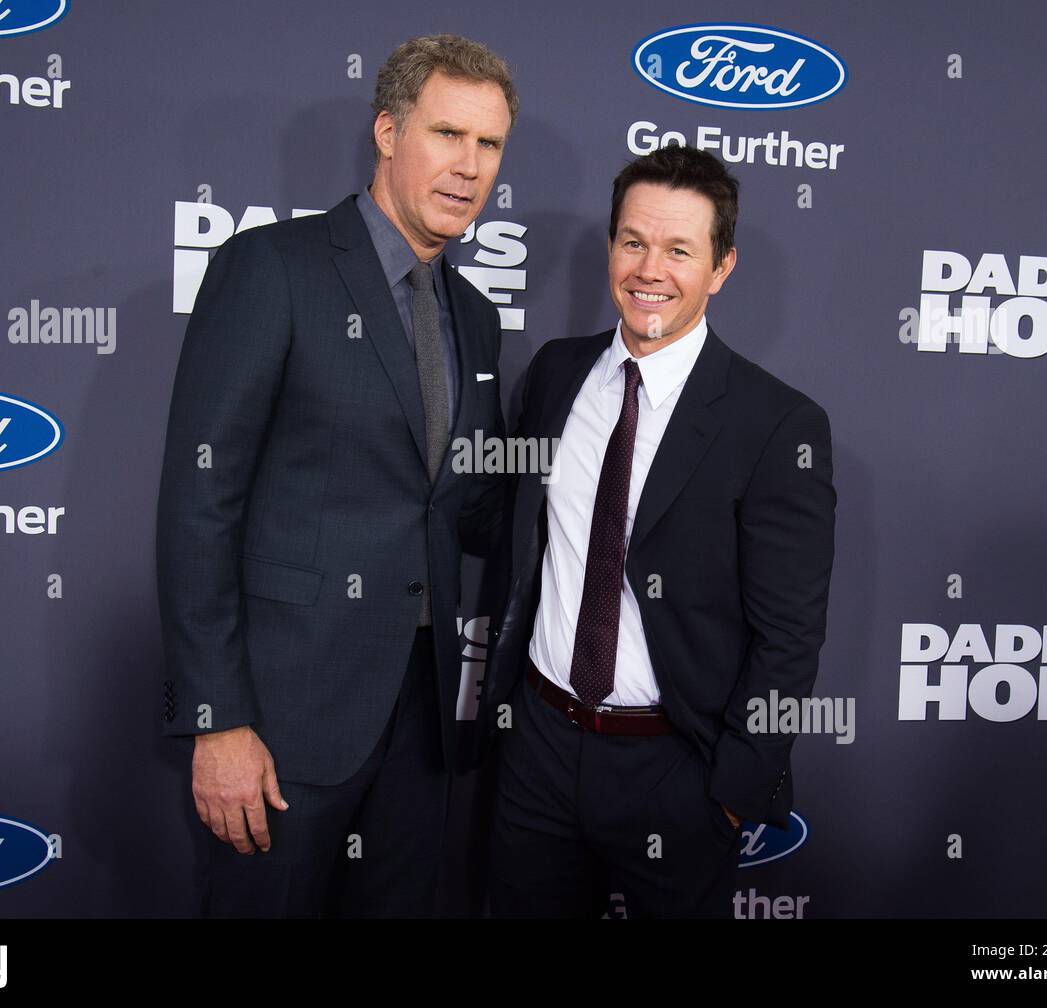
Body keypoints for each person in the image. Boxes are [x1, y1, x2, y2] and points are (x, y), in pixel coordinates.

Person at [156, 34, 516, 918]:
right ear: (388, 132)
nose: (469, 167)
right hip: (282, 725)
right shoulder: (274, 268)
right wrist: (218, 719)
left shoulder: (473, 314)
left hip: (422, 723)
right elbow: (200, 504)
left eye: (489, 145)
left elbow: (467, 504)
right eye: (446, 134)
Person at [476, 144, 835, 918]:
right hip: (536, 743)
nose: (650, 269)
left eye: (679, 249)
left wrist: (734, 791)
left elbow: (791, 635)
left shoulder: (776, 424)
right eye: (634, 241)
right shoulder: (556, 373)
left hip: (675, 770)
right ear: (610, 247)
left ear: (722, 267)